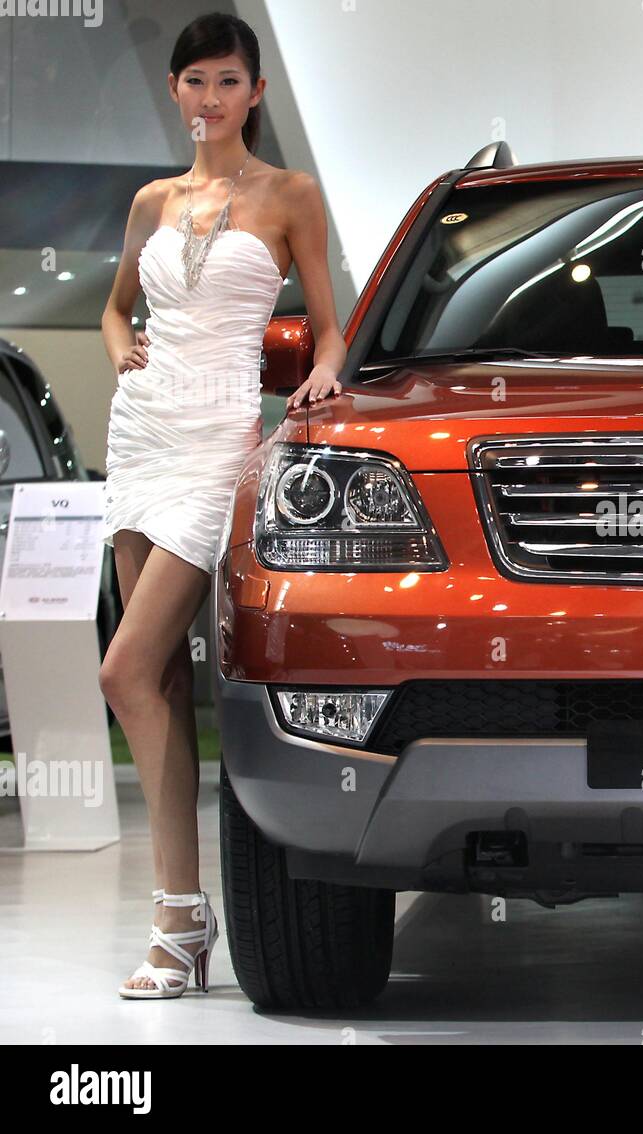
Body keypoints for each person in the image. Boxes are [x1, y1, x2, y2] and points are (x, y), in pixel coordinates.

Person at [98, 11, 345, 998]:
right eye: (194, 81)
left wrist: (321, 379)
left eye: (228, 81)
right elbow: (119, 306)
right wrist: (120, 352)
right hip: (141, 437)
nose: (210, 98)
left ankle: (185, 919)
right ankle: (179, 920)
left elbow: (329, 326)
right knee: (147, 685)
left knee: (123, 672)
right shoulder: (152, 200)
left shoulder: (291, 196)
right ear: (175, 91)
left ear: (256, 93)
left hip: (215, 448)